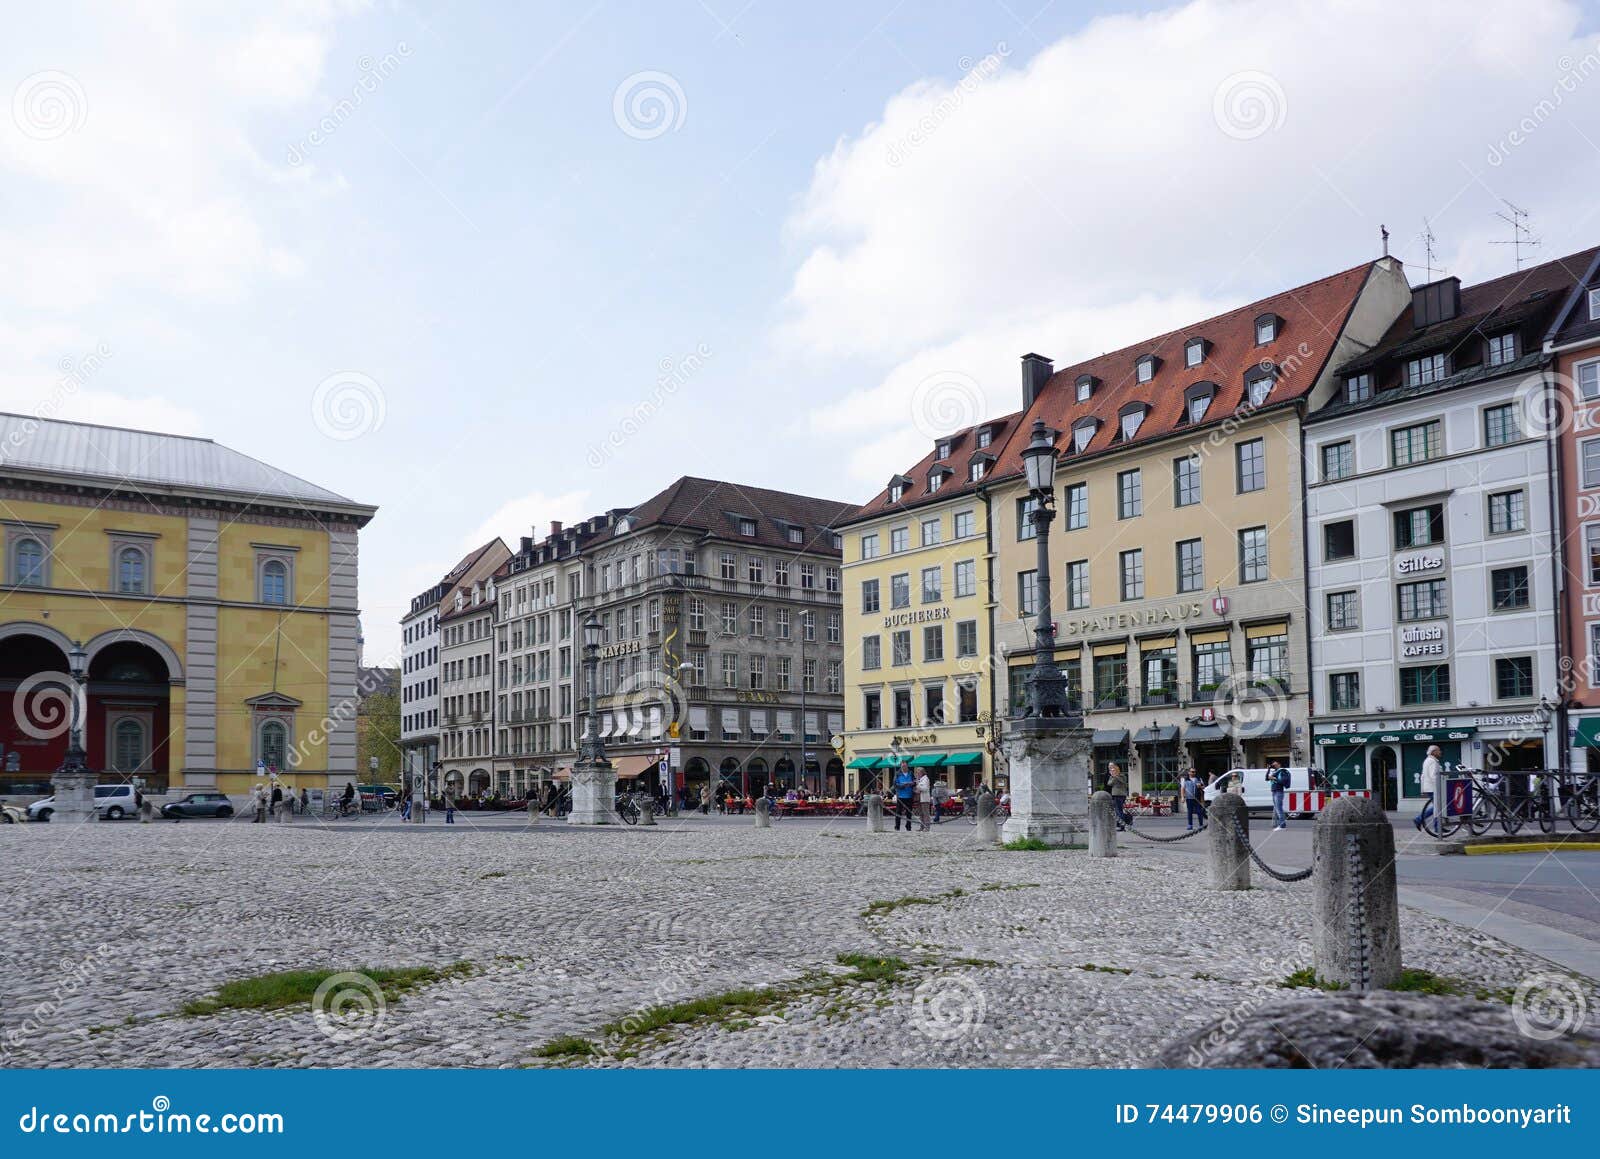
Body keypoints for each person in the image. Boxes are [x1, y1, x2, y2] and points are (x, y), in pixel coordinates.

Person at [1415, 744, 1443, 834]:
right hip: (1433, 788)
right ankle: (1420, 819)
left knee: (1438, 807)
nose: (1440, 752)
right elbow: (1433, 776)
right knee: (1438, 807)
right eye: (1438, 750)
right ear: (1433, 752)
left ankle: (1438, 826)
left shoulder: (1429, 760)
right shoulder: (1432, 761)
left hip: (1431, 787)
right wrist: (1441, 786)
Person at [892, 762, 915, 832]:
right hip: (900, 796)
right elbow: (895, 784)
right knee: (898, 812)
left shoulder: (911, 773)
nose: (904, 767)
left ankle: (908, 826)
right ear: (900, 767)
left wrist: (912, 783)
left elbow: (915, 781)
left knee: (909, 813)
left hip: (909, 795)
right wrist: (902, 785)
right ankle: (897, 827)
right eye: (902, 766)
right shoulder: (897, 774)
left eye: (905, 766)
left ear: (907, 766)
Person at [1107, 763, 1130, 830]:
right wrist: (1113, 777)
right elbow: (1109, 783)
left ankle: (1122, 825)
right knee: (1117, 810)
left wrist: (1116, 776)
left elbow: (1123, 782)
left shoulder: (1122, 776)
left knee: (1119, 810)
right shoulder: (1112, 776)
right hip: (1115, 795)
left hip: (1120, 795)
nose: (1113, 771)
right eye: (1112, 770)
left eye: (1114, 769)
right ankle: (1119, 824)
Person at [1267, 760, 1289, 830]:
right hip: (1274, 791)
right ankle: (1282, 824)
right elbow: (1266, 778)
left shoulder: (1282, 771)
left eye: (1275, 765)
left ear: (1279, 765)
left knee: (1279, 808)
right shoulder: (1274, 772)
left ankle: (1282, 826)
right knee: (1277, 808)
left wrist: (1274, 778)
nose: (1274, 766)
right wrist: (1268, 769)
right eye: (1273, 765)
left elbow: (1283, 781)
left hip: (1279, 791)